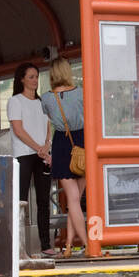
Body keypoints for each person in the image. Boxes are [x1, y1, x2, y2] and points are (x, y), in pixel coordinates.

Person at [7, 62, 52, 254]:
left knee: (44, 200)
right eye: (31, 77)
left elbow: (48, 126)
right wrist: (37, 148)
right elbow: (18, 129)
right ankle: (17, 244)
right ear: (22, 79)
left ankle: (46, 244)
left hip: (42, 153)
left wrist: (46, 147)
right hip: (24, 154)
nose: (34, 80)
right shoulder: (15, 101)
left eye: (36, 76)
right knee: (21, 199)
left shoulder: (42, 102)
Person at [43, 57, 86, 257]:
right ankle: (87, 244)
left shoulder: (46, 98)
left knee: (73, 200)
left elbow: (50, 116)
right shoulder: (81, 93)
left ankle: (69, 246)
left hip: (62, 143)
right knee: (76, 199)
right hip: (82, 141)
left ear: (52, 74)